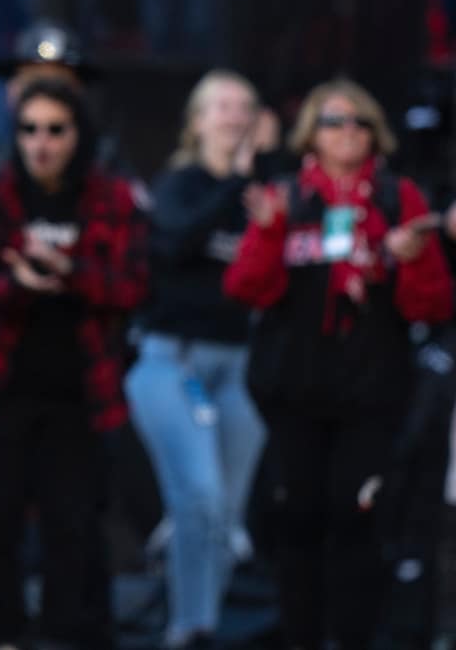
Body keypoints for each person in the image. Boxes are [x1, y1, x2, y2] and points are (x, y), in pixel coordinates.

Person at [224, 78, 454, 648]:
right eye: (333, 121)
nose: (347, 132)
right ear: (311, 134)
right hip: (295, 391)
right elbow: (247, 290)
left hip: (371, 393)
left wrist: (417, 259)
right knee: (296, 524)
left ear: (375, 134)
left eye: (359, 122)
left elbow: (433, 306)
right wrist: (267, 232)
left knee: (360, 522)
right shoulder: (286, 197)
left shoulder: (402, 200)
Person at [0, 79, 147, 648]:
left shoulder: (112, 197)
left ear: (78, 135)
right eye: (29, 129)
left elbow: (133, 288)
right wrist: (17, 283)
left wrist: (67, 272)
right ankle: (5, 637)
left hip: (81, 394)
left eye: (55, 130)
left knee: (76, 534)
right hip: (3, 390)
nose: (41, 143)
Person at [123, 71, 275, 649]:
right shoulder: (179, 184)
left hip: (239, 364)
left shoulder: (265, 192)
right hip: (174, 362)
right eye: (222, 106)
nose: (235, 116)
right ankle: (189, 630)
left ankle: (200, 622)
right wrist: (232, 182)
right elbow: (173, 240)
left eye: (245, 106)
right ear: (198, 120)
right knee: (200, 496)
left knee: (227, 522)